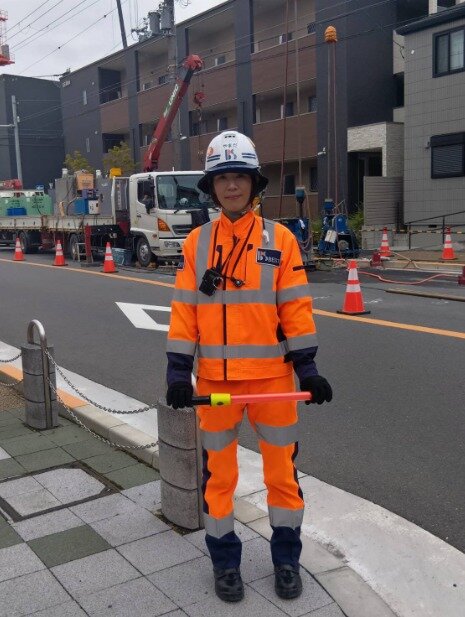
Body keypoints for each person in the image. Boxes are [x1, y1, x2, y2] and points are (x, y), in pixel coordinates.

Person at [166, 130, 332, 603]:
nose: (232, 185)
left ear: (254, 183)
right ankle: (225, 565)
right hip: (215, 385)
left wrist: (308, 368)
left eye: (240, 176)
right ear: (212, 187)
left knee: (282, 476)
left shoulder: (281, 240)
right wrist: (178, 371)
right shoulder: (196, 244)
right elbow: (184, 311)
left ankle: (286, 561)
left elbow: (295, 308)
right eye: (223, 178)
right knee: (219, 479)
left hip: (273, 383)